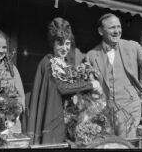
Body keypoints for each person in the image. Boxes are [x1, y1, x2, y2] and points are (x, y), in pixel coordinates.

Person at [27, 17, 100, 145]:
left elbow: (71, 87)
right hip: (54, 119)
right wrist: (90, 85)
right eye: (60, 43)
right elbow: (62, 88)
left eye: (67, 43)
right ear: (52, 43)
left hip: (66, 118)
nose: (64, 48)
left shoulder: (64, 63)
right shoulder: (49, 62)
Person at [86, 13, 142, 139]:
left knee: (128, 145)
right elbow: (89, 87)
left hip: (131, 109)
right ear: (100, 31)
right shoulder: (91, 55)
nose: (117, 31)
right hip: (105, 114)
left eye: (119, 27)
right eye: (112, 28)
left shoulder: (132, 47)